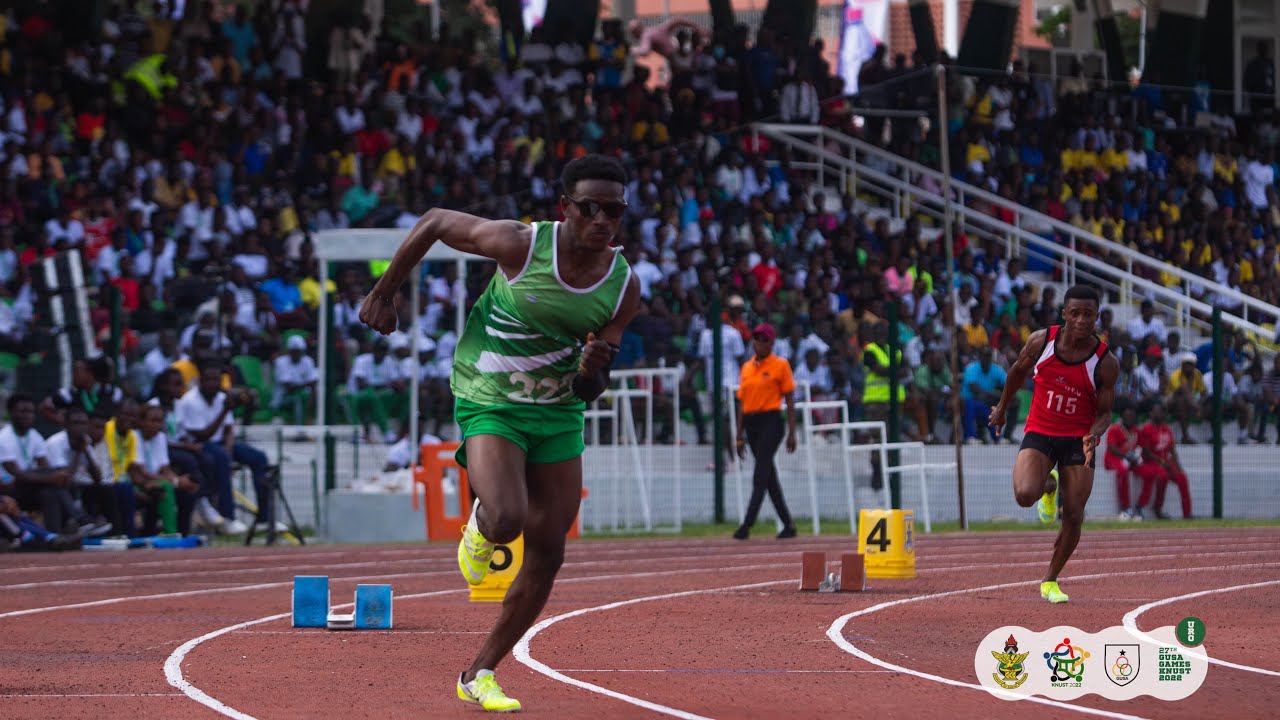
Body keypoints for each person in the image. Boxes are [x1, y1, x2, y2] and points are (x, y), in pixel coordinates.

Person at [359, 154, 640, 713]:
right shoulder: (521, 245)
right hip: (490, 395)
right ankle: (481, 524)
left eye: (614, 210)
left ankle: (479, 671)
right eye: (591, 208)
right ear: (566, 208)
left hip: (557, 412)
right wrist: (386, 290)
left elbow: (593, 388)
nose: (602, 219)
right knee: (508, 517)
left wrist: (591, 372)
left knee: (549, 552)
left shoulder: (622, 287)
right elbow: (436, 220)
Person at [989, 285, 1118, 604]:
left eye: (1088, 314)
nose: (1081, 320)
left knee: (1074, 514)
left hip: (1077, 439)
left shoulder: (1105, 362)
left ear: (1097, 317)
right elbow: (1017, 373)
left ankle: (1050, 580)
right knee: (1024, 495)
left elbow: (1105, 413)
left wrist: (1094, 435)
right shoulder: (1041, 341)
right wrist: (1002, 408)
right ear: (1064, 314)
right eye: (1075, 313)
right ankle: (1048, 486)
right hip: (1041, 431)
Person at [732, 323, 799, 540]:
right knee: (769, 477)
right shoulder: (746, 368)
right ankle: (788, 524)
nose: (758, 343)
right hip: (751, 424)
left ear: (771, 343)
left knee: (760, 472)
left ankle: (747, 524)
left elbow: (789, 400)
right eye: (756, 338)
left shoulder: (780, 365)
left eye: (763, 339)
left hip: (771, 421)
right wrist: (739, 434)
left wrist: (792, 432)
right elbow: (742, 404)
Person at [1135, 401, 1192, 520]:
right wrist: (1161, 461)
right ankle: (1157, 509)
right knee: (1163, 476)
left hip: (1166, 461)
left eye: (1160, 411)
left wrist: (1179, 467)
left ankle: (1187, 514)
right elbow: (1146, 452)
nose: (1158, 414)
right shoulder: (1146, 428)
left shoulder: (1166, 429)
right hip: (1152, 462)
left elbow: (1172, 450)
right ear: (1151, 413)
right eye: (1156, 411)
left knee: (1182, 478)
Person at [1104, 407, 1142, 519]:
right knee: (1123, 471)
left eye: (1132, 417)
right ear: (1122, 417)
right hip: (1113, 459)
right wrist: (1126, 457)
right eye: (1127, 416)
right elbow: (1111, 448)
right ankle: (1126, 507)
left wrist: (1137, 457)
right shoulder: (1115, 429)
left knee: (1147, 471)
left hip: (1130, 460)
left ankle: (1140, 506)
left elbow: (1140, 445)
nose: (1129, 419)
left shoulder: (1136, 429)